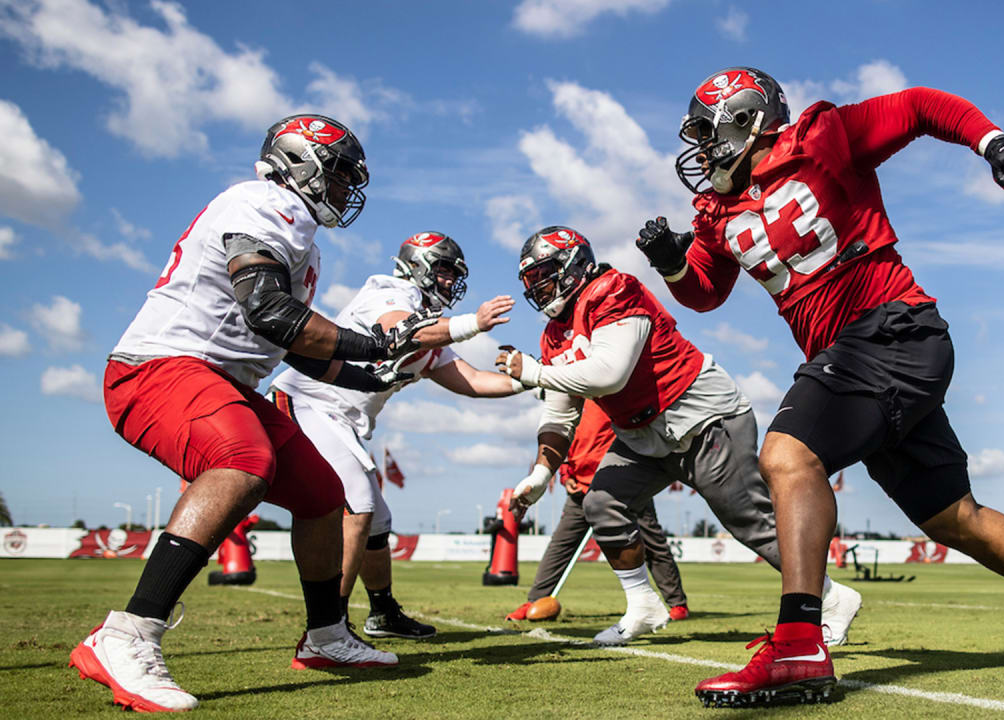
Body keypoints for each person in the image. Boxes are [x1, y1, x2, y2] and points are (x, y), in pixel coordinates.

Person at [635, 66, 1004, 705]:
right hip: (861, 356)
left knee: (788, 454)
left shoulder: (822, 137)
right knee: (955, 518)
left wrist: (993, 141)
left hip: (891, 329)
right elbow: (705, 292)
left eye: (705, 129)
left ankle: (800, 639)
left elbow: (918, 106)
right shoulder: (718, 208)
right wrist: (670, 261)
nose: (698, 146)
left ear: (748, 116)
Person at [75, 115, 430, 712]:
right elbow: (269, 310)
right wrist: (373, 342)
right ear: (299, 161)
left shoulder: (303, 244)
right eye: (340, 172)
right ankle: (127, 633)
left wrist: (371, 372)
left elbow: (297, 348)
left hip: (226, 380)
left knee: (323, 491)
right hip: (161, 366)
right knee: (243, 459)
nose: (347, 188)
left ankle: (324, 636)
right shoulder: (264, 204)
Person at [495, 226, 861, 648]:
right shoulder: (553, 334)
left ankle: (833, 598)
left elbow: (609, 372)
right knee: (601, 503)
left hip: (702, 416)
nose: (537, 287)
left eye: (543, 274)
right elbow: (561, 410)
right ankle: (643, 606)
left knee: (751, 524)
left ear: (574, 264)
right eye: (530, 281)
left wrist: (533, 372)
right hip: (644, 435)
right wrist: (542, 473)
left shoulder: (613, 288)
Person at [270, 232, 522, 639]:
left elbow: (472, 380)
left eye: (453, 273)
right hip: (308, 401)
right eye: (442, 269)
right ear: (417, 264)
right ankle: (328, 628)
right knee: (360, 503)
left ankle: (382, 613)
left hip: (341, 419)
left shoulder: (429, 324)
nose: (448, 281)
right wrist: (472, 324)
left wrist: (540, 378)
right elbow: (400, 330)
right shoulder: (390, 291)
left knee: (376, 521)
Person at [505, 398, 690, 623]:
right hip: (580, 486)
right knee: (561, 545)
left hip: (623, 483)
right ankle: (536, 600)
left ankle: (677, 603)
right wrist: (565, 474)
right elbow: (563, 439)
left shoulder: (607, 391)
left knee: (651, 542)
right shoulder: (566, 401)